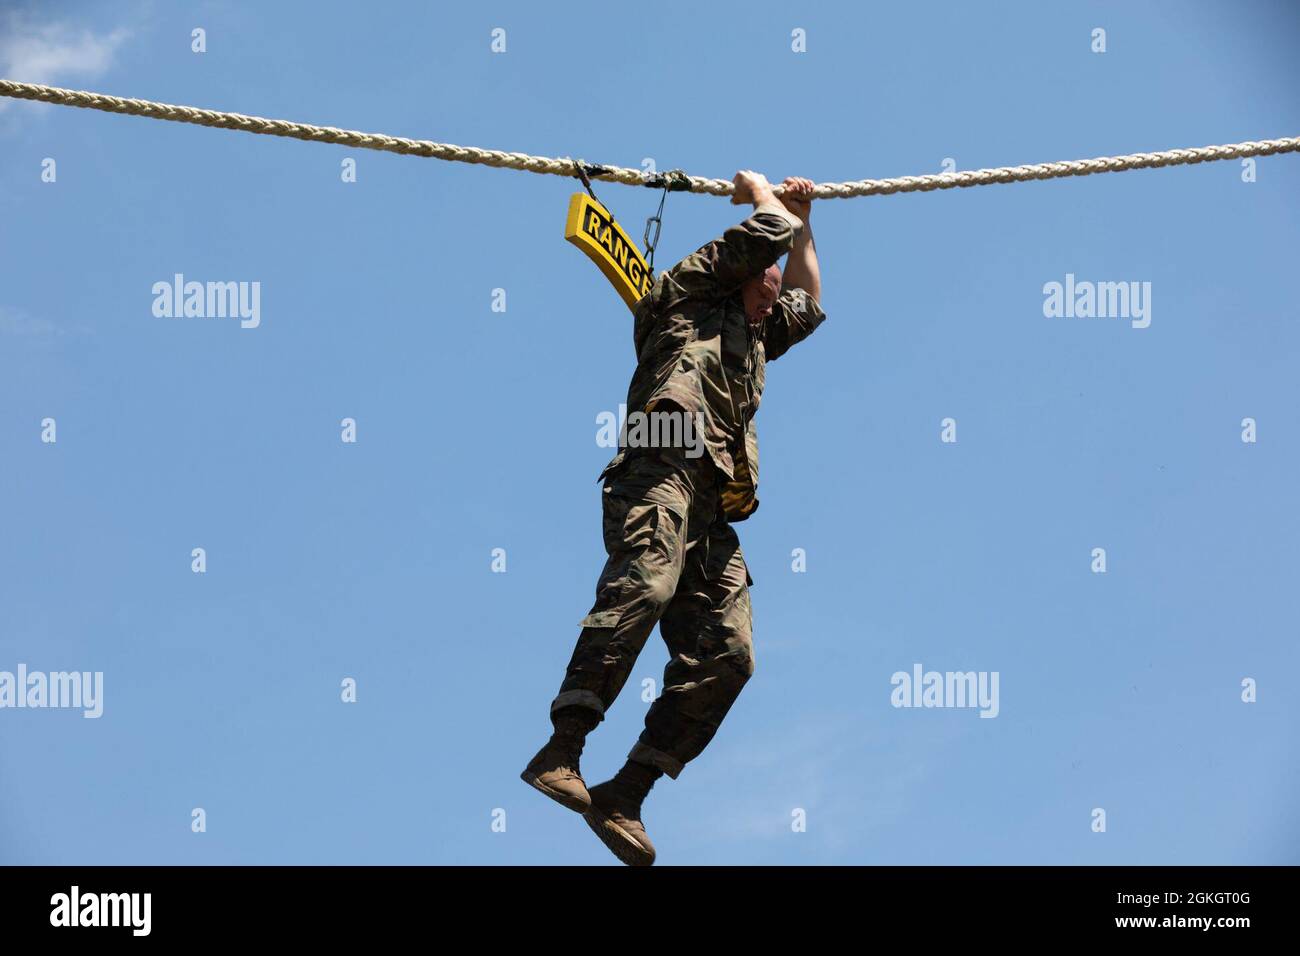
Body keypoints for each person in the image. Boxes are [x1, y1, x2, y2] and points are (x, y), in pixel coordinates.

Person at [522, 170, 826, 865]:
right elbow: (765, 233)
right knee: (646, 586)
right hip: (664, 458)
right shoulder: (686, 296)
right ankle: (561, 747)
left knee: (729, 655)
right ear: (743, 272)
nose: (775, 274)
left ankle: (627, 791)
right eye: (765, 267)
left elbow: (809, 295)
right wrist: (760, 195)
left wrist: (806, 217)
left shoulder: (755, 334)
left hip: (712, 505)